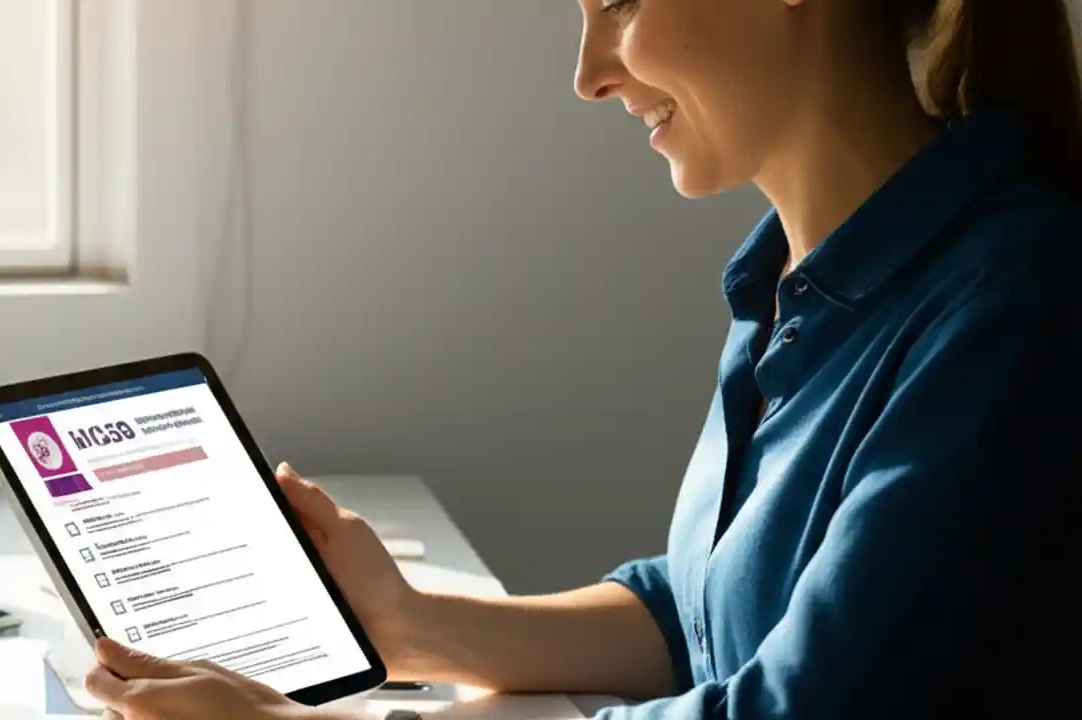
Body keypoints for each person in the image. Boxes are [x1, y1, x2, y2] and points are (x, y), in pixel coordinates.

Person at [84, 0, 1082, 718]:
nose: (588, 72)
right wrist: (408, 623)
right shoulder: (785, 282)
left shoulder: (1017, 296)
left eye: (616, 3)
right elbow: (700, 612)